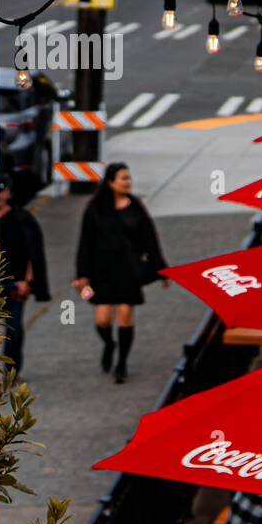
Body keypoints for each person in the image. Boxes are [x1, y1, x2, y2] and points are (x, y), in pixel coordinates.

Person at [73, 162, 167, 384]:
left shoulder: (136, 207)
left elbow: (150, 239)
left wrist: (161, 269)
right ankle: (109, 344)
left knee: (125, 316)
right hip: (101, 271)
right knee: (103, 319)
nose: (127, 182)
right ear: (110, 182)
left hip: (129, 270)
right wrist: (82, 275)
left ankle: (122, 363)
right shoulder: (94, 208)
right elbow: (85, 242)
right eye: (123, 178)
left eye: (129, 178)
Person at [0, 175, 32, 376]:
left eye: (2, 190)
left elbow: (31, 252)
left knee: (13, 329)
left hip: (14, 283)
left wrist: (27, 281)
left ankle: (11, 370)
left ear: (8, 193)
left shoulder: (21, 218)